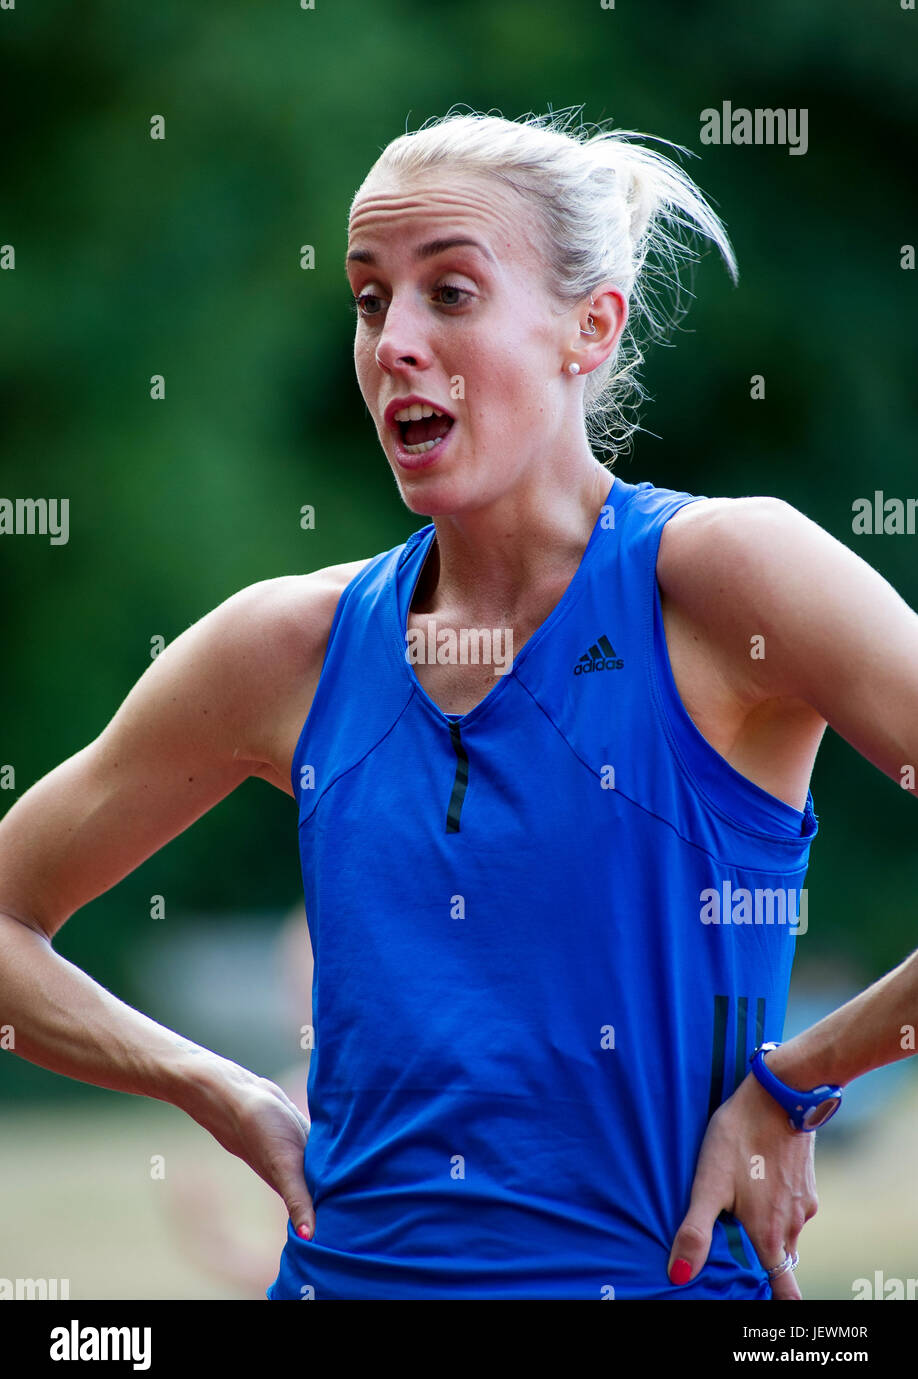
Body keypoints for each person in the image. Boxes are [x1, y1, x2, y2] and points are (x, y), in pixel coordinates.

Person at [2, 106, 917, 1301]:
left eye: (452, 292)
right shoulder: (289, 646)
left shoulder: (727, 579)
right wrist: (216, 1088)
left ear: (590, 327)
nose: (394, 344)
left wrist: (800, 1076)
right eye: (371, 299)